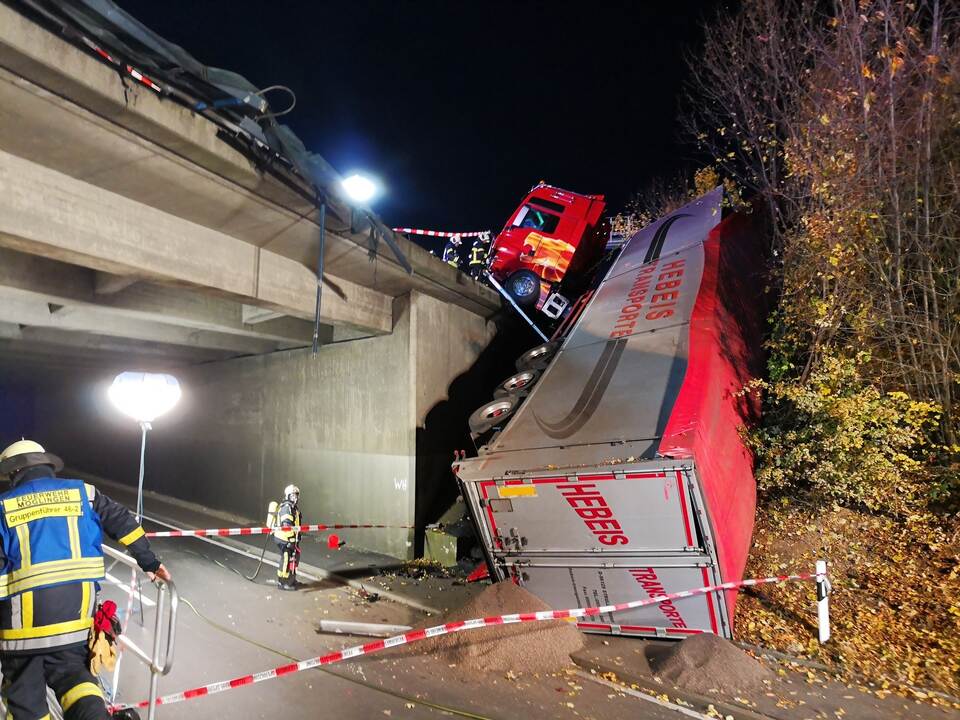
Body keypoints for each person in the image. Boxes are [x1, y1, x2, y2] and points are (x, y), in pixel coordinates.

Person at [0, 440, 170, 720]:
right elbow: (122, 521)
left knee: (25, 698)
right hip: (75, 622)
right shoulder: (84, 494)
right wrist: (150, 562)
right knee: (77, 681)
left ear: (14, 473)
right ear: (46, 466)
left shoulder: (4, 507)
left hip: (21, 633)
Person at [273, 484, 302, 591]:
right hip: (284, 539)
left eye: (296, 495)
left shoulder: (294, 508)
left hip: (292, 538)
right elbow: (286, 524)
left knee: (294, 559)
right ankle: (282, 582)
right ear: (288, 495)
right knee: (286, 559)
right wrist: (290, 537)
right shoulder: (286, 508)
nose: (295, 497)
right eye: (293, 495)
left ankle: (291, 579)